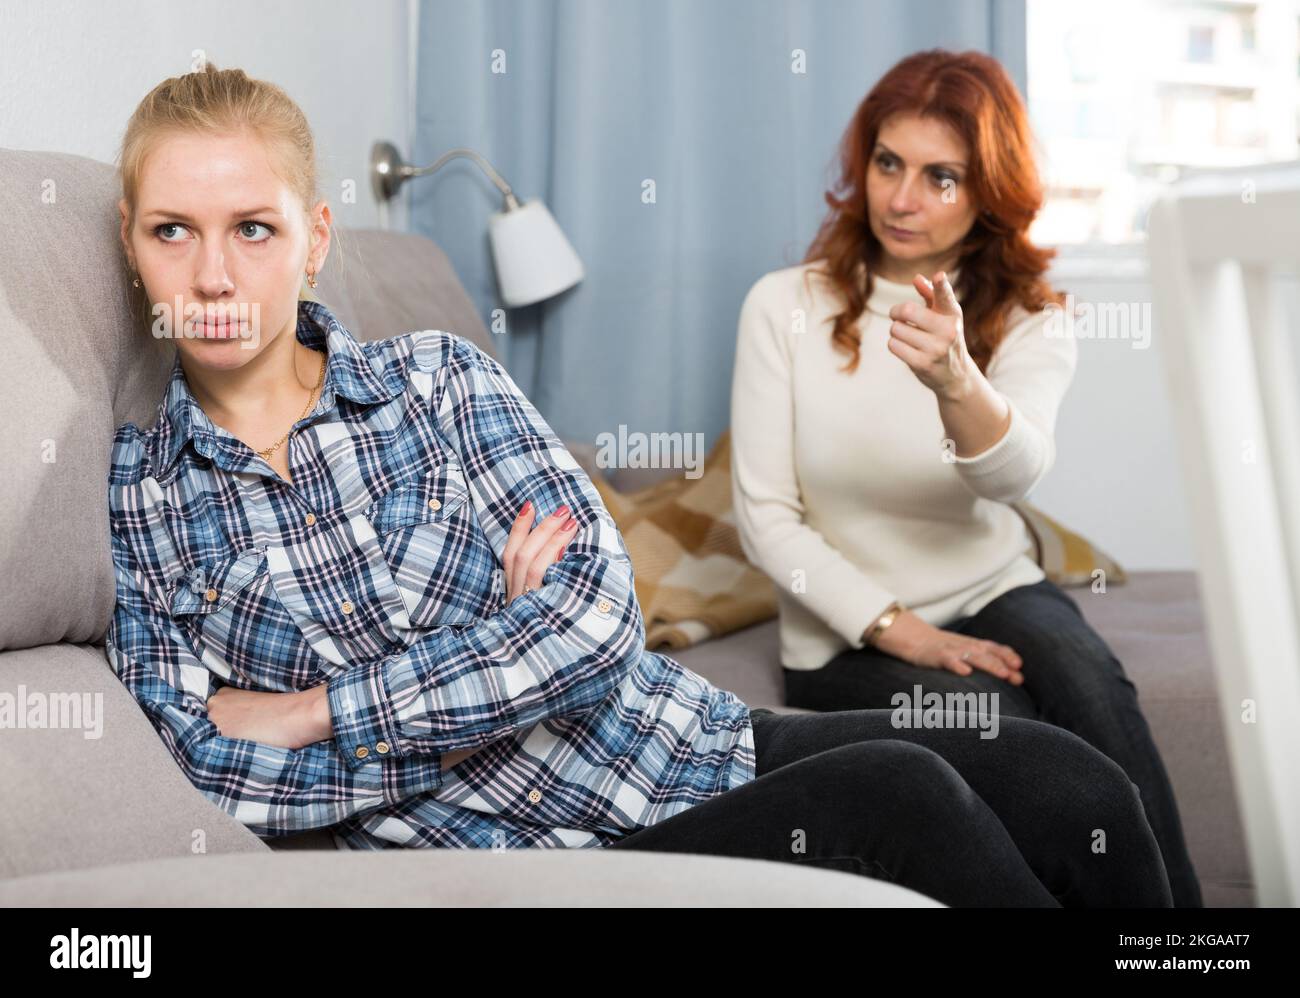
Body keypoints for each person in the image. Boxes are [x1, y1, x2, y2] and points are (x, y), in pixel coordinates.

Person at [105, 61, 1172, 907]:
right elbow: (224, 773)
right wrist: (503, 645)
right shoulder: (140, 500)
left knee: (1068, 779)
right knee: (904, 795)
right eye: (172, 232)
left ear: (314, 237)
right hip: (554, 843)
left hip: (683, 736)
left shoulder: (438, 378)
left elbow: (598, 624)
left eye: (252, 228)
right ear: (132, 244)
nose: (212, 276)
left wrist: (317, 708)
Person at [729, 48, 1202, 907]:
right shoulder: (782, 306)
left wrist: (956, 380)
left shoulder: (1031, 316)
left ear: (987, 192)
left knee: (1098, 697)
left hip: (991, 582)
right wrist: (908, 632)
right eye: (888, 164)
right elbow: (766, 517)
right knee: (1018, 740)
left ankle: (1181, 947)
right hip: (845, 632)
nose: (903, 199)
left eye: (941, 177)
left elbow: (1014, 475)